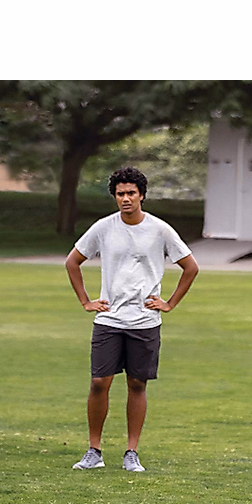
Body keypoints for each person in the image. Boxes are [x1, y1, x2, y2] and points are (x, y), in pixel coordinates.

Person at [65, 166, 198, 472]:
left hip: (144, 322)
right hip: (109, 320)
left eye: (131, 193)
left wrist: (169, 303)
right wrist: (86, 301)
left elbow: (190, 267)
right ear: (114, 196)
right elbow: (73, 261)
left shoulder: (160, 230)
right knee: (99, 382)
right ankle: (93, 451)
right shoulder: (103, 228)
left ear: (142, 196)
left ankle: (131, 452)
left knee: (137, 384)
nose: (125, 199)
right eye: (120, 194)